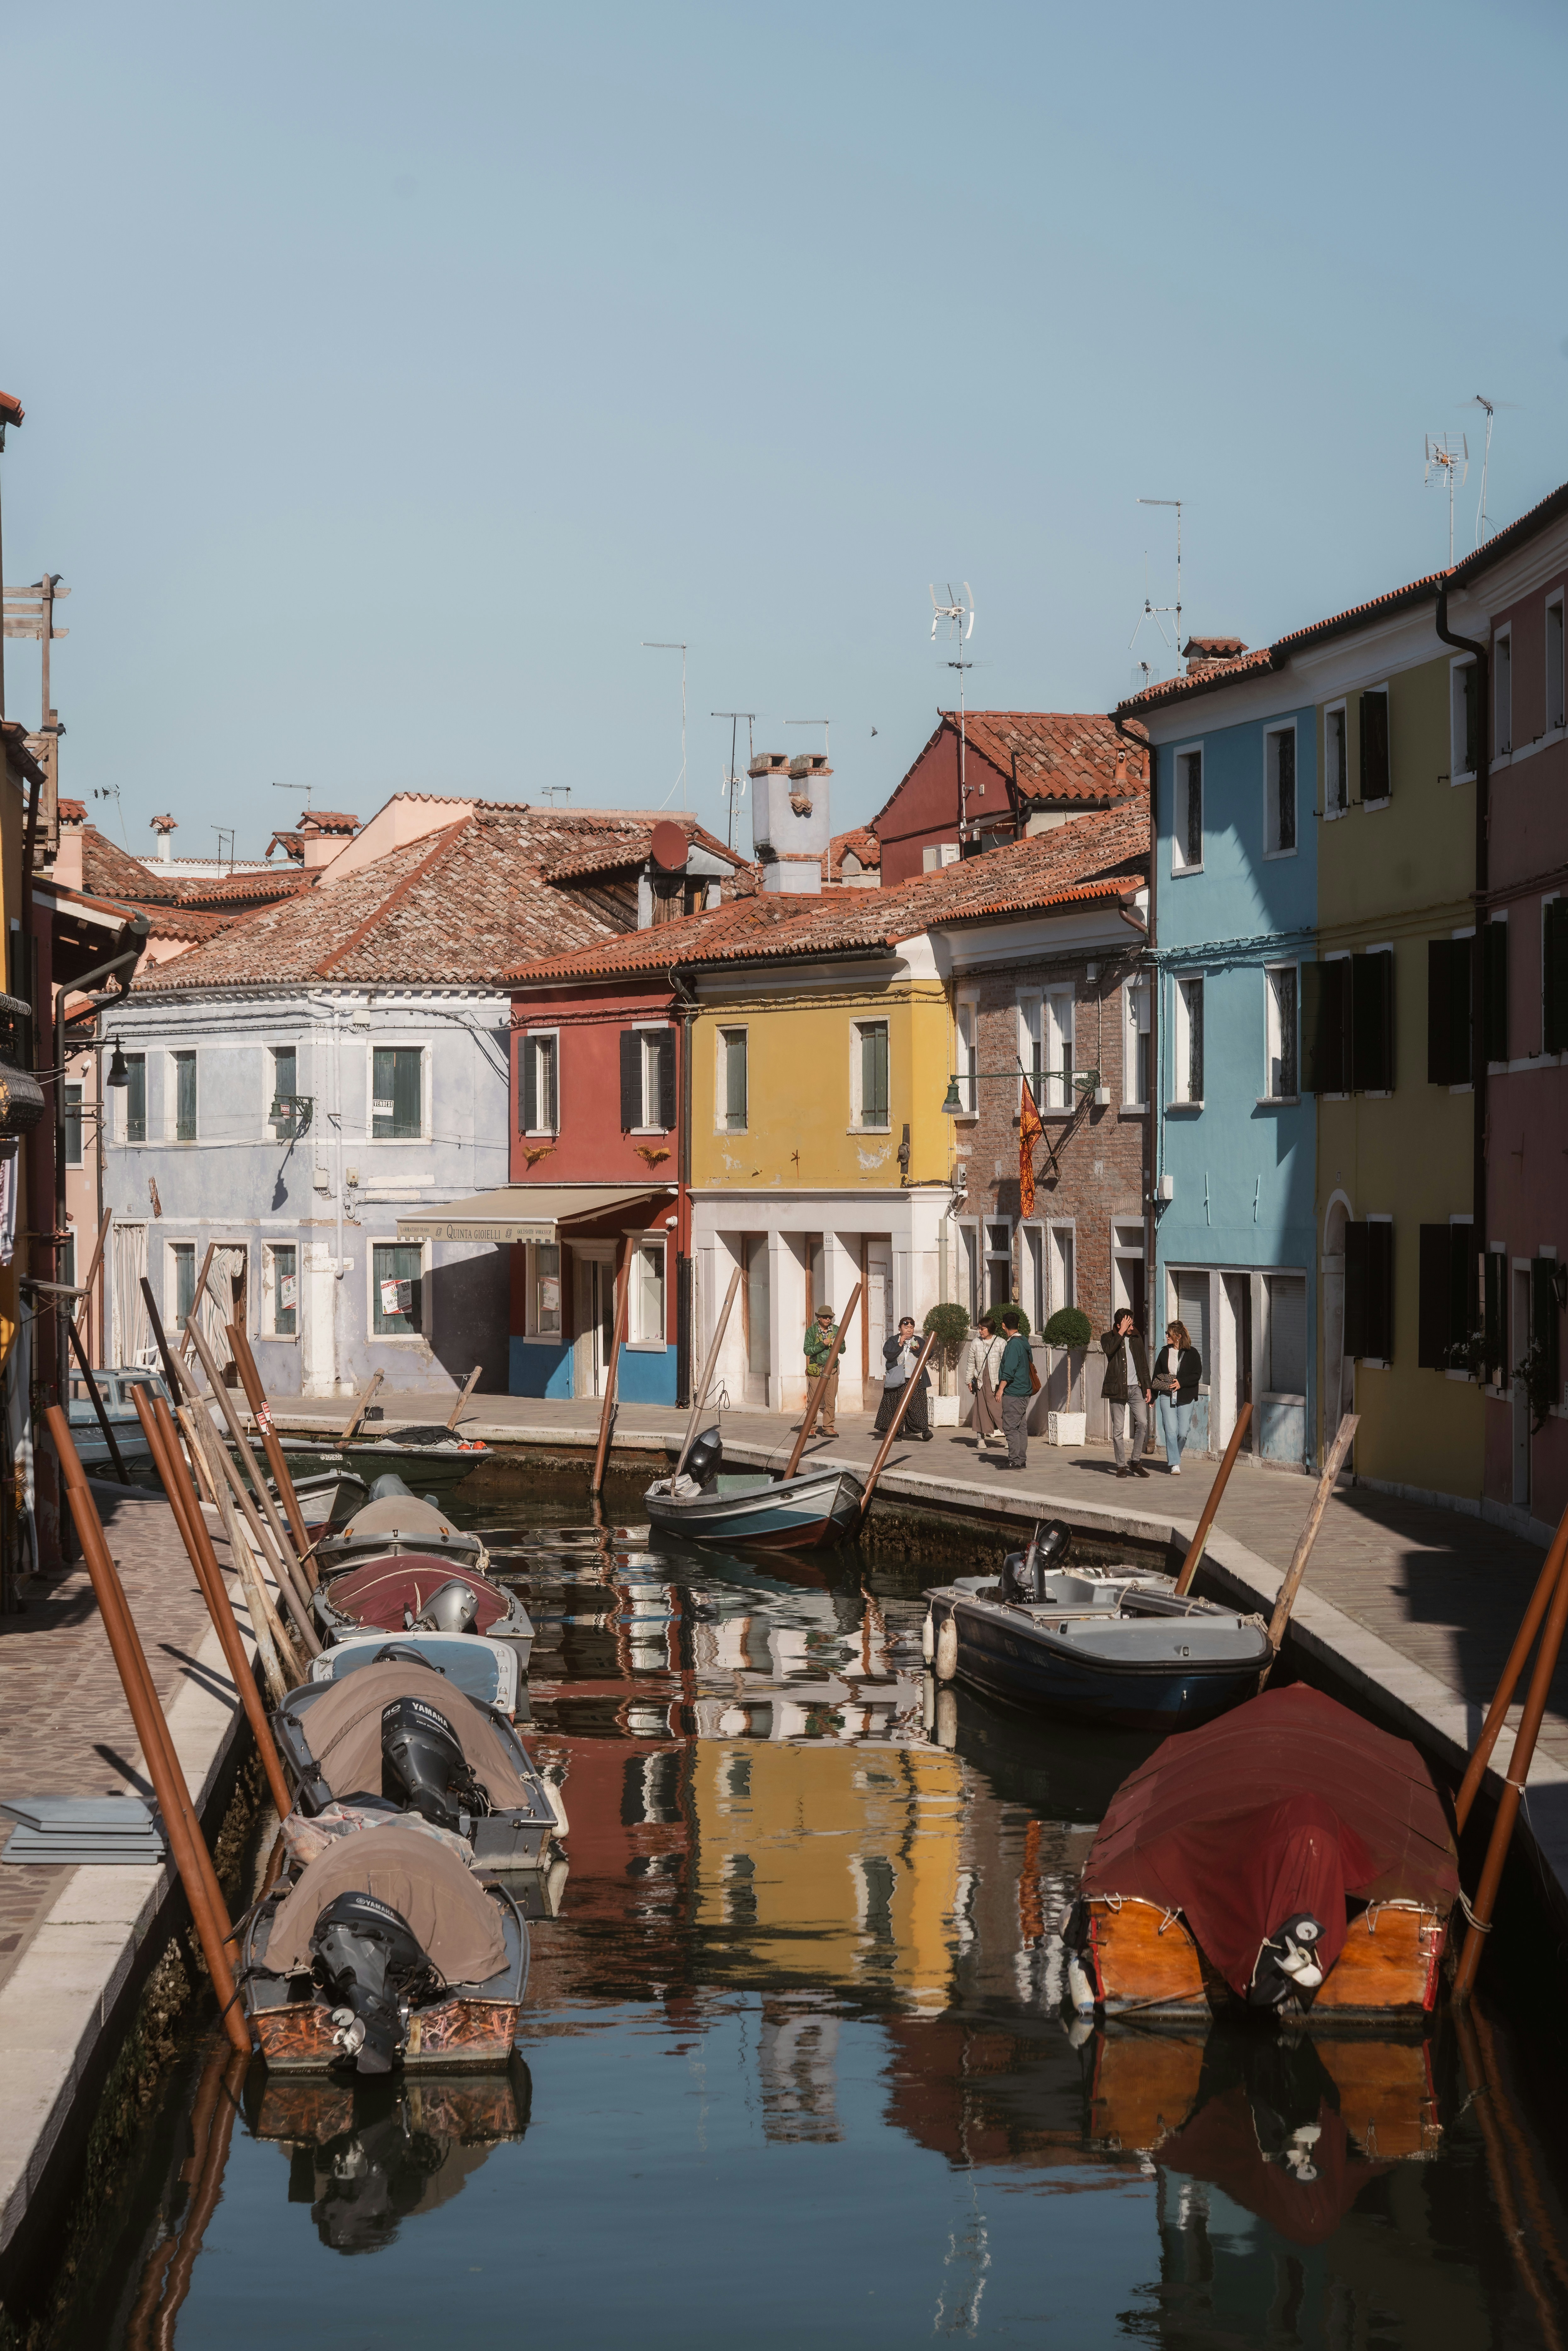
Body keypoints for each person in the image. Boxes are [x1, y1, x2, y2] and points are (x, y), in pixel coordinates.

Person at [1101, 1307, 1152, 1479]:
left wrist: (1148, 1388)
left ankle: (1135, 1462)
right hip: (1117, 1389)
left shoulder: (1136, 1338)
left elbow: (1143, 1364)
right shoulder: (1108, 1338)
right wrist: (1121, 1333)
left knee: (1143, 1423)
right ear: (1119, 1324)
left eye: (1132, 1323)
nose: (1132, 1327)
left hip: (1136, 1388)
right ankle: (1121, 1465)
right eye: (1128, 1323)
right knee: (1118, 1431)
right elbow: (1109, 1351)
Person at [1150, 1318, 1203, 1474]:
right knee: (1171, 1430)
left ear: (1178, 1336)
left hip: (1186, 1396)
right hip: (1167, 1395)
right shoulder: (1164, 1352)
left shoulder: (1192, 1353)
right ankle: (1175, 1463)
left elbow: (1197, 1375)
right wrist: (1153, 1396)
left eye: (1169, 1334)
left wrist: (1181, 1382)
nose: (1166, 1336)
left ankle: (1175, 1457)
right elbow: (1157, 1376)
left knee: (1183, 1432)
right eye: (1167, 1333)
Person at [874, 1316, 934, 1438]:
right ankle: (895, 1432)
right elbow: (889, 1355)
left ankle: (924, 1430)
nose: (909, 1330)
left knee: (918, 1405)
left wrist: (918, 1349)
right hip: (898, 1378)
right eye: (906, 1327)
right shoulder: (893, 1340)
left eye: (912, 1328)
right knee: (896, 1405)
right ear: (900, 1328)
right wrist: (900, 1344)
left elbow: (929, 1354)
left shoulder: (919, 1341)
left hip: (916, 1378)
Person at [995, 1307, 1033, 1470]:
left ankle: (1015, 1460)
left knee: (1011, 1426)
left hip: (1014, 1392)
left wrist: (1001, 1389)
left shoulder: (1013, 1345)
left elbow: (1009, 1370)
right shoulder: (1024, 1341)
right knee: (1021, 1427)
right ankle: (1021, 1459)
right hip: (1025, 1391)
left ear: (1004, 1326)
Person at [801, 1303, 846, 1438]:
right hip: (817, 1370)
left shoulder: (837, 1330)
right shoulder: (811, 1331)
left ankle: (828, 1427)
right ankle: (810, 1427)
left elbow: (843, 1350)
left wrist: (836, 1345)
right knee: (814, 1400)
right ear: (819, 1318)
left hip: (832, 1370)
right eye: (825, 1317)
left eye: (830, 1317)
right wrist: (822, 1344)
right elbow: (807, 1350)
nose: (828, 1320)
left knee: (830, 1400)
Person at [967, 1313, 1007, 1451]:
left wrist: (1003, 1384)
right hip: (980, 1382)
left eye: (982, 1329)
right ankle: (980, 1439)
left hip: (996, 1382)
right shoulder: (976, 1343)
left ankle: (1009, 1437)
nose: (980, 1331)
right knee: (981, 1410)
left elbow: (1005, 1364)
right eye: (979, 1328)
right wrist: (969, 1381)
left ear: (990, 1329)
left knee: (999, 1410)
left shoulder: (1001, 1342)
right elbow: (971, 1363)